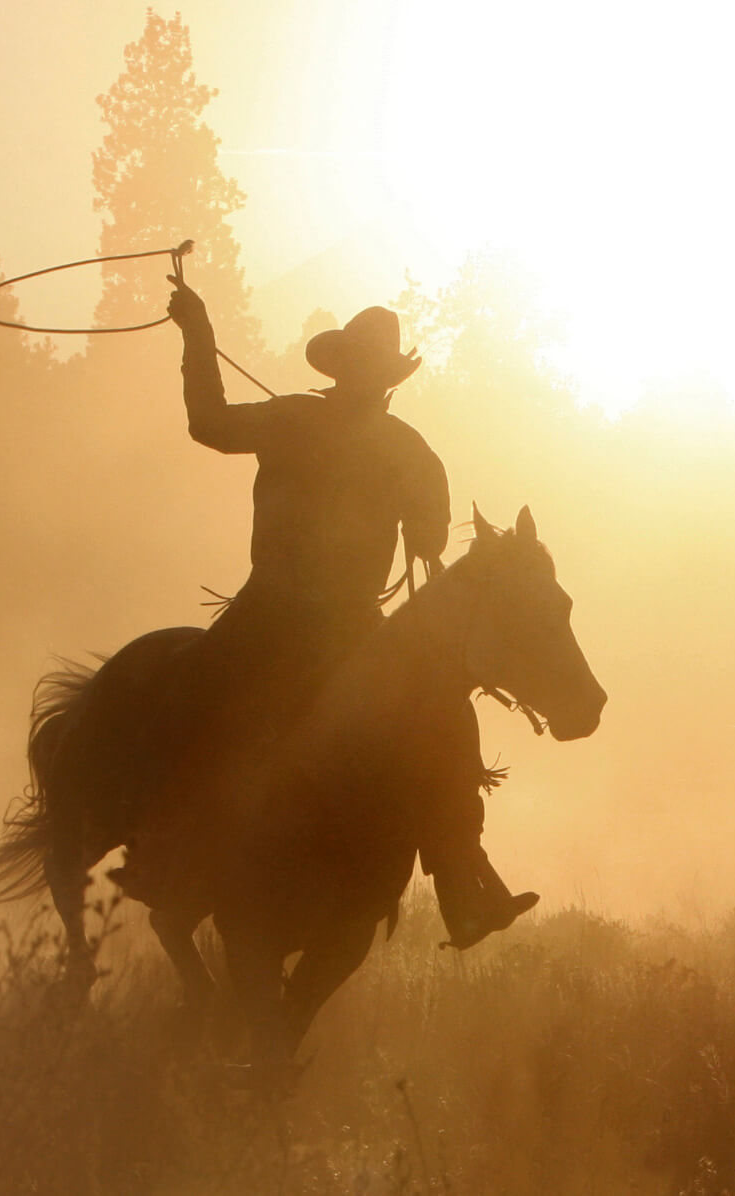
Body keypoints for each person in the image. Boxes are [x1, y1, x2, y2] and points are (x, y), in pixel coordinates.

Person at [155, 277, 536, 948]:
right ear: (352, 371)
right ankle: (170, 855)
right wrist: (199, 334)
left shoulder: (357, 437)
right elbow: (210, 427)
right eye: (366, 368)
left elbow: (426, 537)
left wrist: (197, 331)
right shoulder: (364, 438)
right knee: (192, 706)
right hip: (288, 616)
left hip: (323, 621)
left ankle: (463, 882)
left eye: (378, 371)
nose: (373, 382)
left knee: (441, 725)